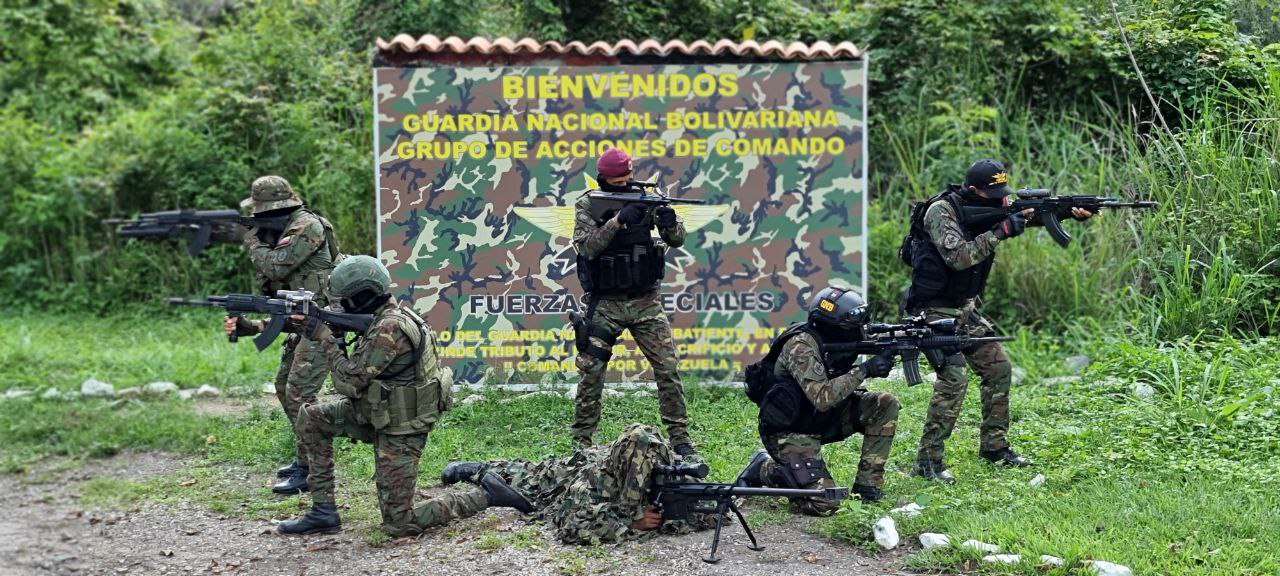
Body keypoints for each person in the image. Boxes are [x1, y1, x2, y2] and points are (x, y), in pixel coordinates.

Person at [276, 255, 533, 536]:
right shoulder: (381, 318)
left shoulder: (390, 328)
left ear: (362, 297)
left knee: (400, 523)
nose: (338, 305)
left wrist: (324, 337)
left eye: (343, 299)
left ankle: (486, 494)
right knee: (312, 418)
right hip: (377, 411)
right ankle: (323, 512)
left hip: (402, 427)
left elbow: (349, 381)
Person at [902, 159, 1094, 482]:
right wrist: (1000, 232)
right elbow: (959, 257)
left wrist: (1062, 213)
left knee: (999, 367)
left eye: (1001, 193)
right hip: (933, 310)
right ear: (974, 190)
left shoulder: (993, 202)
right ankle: (927, 461)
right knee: (954, 379)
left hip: (964, 309)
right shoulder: (941, 211)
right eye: (992, 194)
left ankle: (994, 447)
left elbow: (1025, 216)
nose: (1000, 200)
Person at [570, 148, 695, 455]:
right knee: (592, 371)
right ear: (605, 177)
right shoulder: (588, 204)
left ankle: (680, 438)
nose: (626, 183)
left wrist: (668, 223)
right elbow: (586, 248)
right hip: (606, 304)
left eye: (628, 177)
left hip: (645, 302)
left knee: (668, 368)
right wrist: (617, 222)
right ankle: (581, 443)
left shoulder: (647, 197)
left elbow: (676, 239)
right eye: (619, 179)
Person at [222, 175, 340, 494]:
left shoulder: (307, 227)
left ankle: (314, 469)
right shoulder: (280, 230)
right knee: (283, 386)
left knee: (300, 393)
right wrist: (256, 326)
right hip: (304, 318)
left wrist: (249, 239)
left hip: (325, 319)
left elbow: (276, 267)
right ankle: (306, 460)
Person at [737, 286, 900, 515]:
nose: (858, 330)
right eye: (851, 325)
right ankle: (765, 469)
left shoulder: (847, 335)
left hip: (825, 419)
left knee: (885, 404)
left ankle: (867, 488)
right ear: (833, 325)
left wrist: (914, 336)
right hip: (790, 431)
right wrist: (865, 370)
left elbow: (882, 337)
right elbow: (822, 398)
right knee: (824, 503)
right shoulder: (800, 346)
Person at [440, 423, 713, 544]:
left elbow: (712, 504)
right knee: (533, 475)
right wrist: (630, 524)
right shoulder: (596, 479)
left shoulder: (670, 473)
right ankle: (475, 468)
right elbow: (570, 525)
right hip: (578, 470)